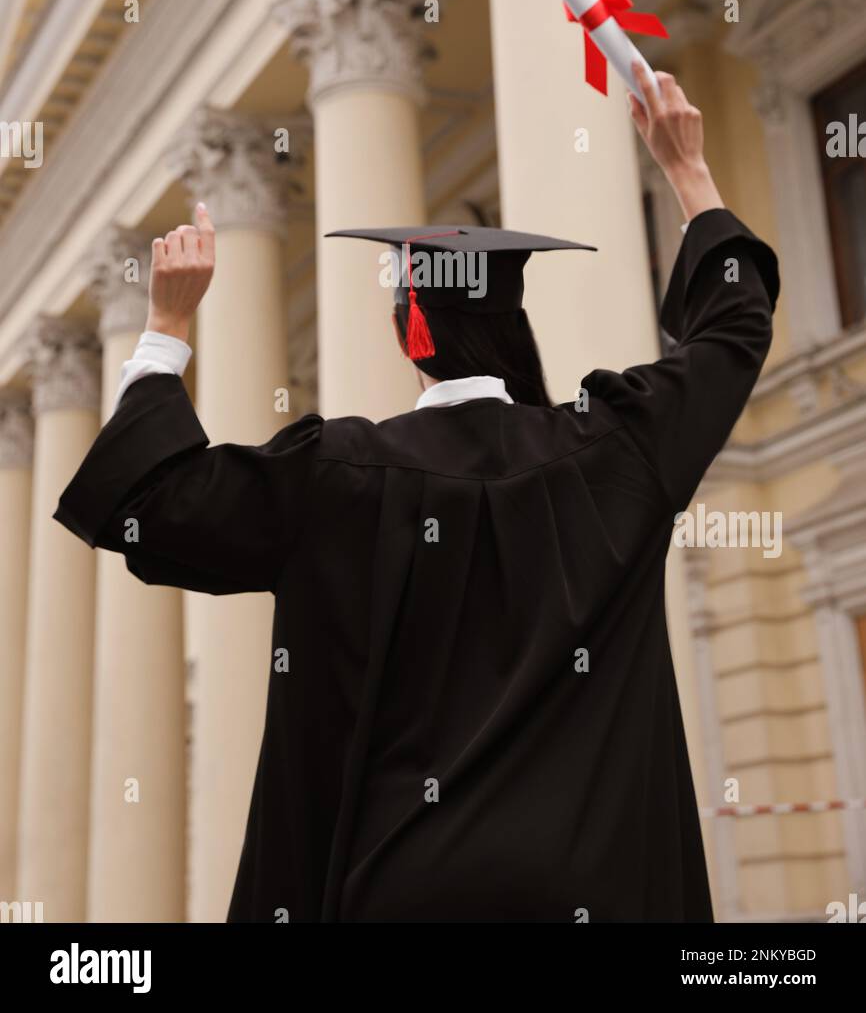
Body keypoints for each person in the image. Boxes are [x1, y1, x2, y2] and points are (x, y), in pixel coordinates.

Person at [54, 64, 779, 923]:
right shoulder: (614, 449)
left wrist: (167, 327)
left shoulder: (342, 476)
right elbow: (735, 326)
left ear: (417, 329)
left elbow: (143, 500)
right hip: (595, 895)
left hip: (402, 898)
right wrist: (685, 166)